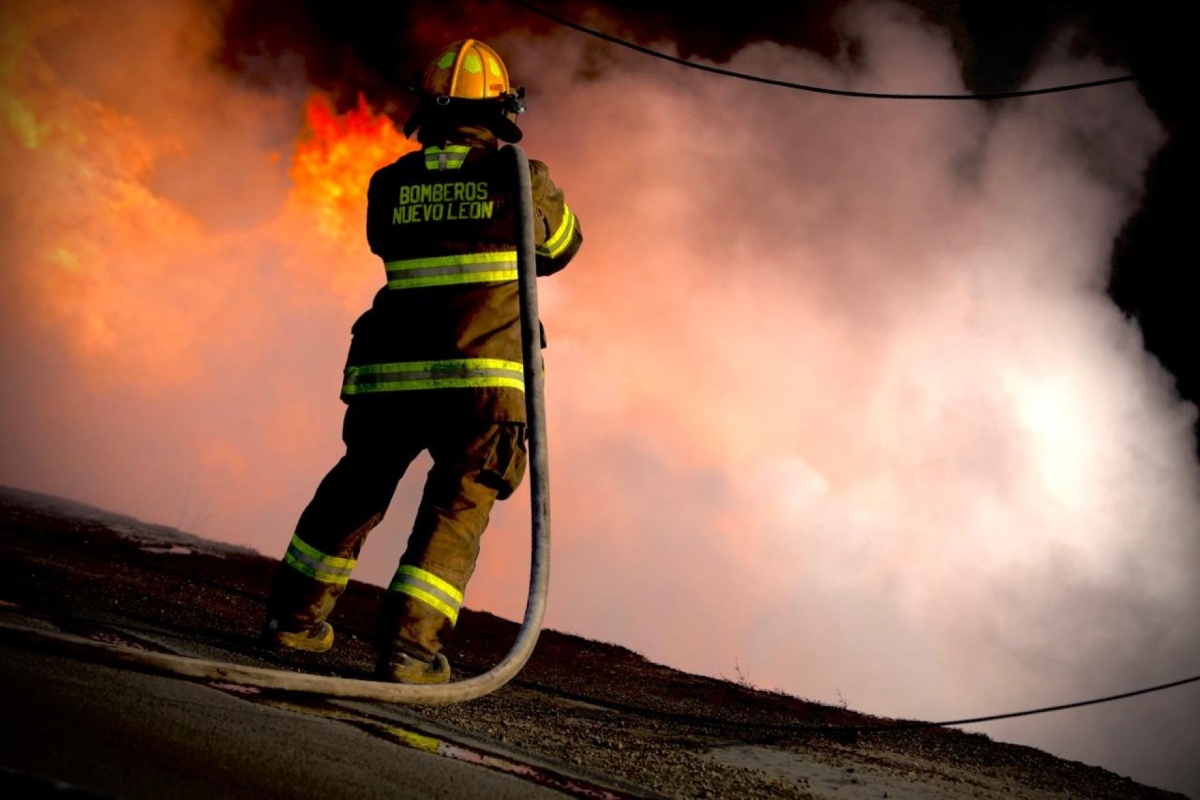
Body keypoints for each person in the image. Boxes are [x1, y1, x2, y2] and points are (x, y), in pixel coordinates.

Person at [260, 39, 582, 684]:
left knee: (357, 487)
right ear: (502, 109)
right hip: (483, 383)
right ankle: (409, 653)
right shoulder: (521, 176)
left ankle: (294, 621)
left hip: (392, 375)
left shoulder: (391, 184)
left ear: (427, 111)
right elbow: (561, 246)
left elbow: (387, 240)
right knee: (456, 508)